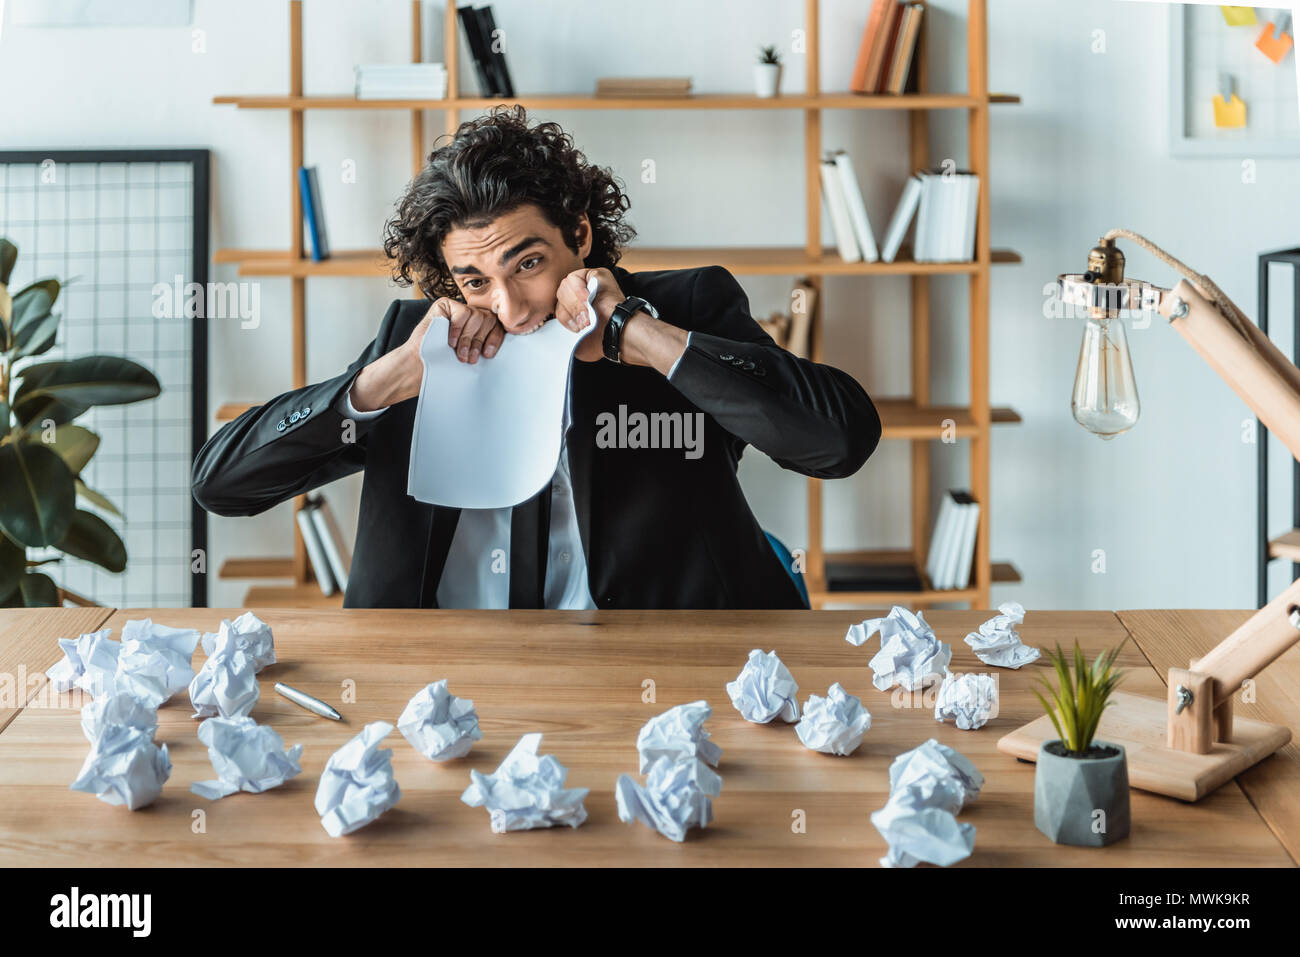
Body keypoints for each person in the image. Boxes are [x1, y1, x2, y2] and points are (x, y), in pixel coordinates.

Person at [191, 105, 882, 609]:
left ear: (579, 233)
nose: (512, 308)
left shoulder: (686, 304)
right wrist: (380, 383)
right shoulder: (416, 340)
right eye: (475, 281)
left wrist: (638, 336)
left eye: (527, 263)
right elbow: (222, 484)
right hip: (437, 690)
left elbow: (839, 441)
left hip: (649, 684)